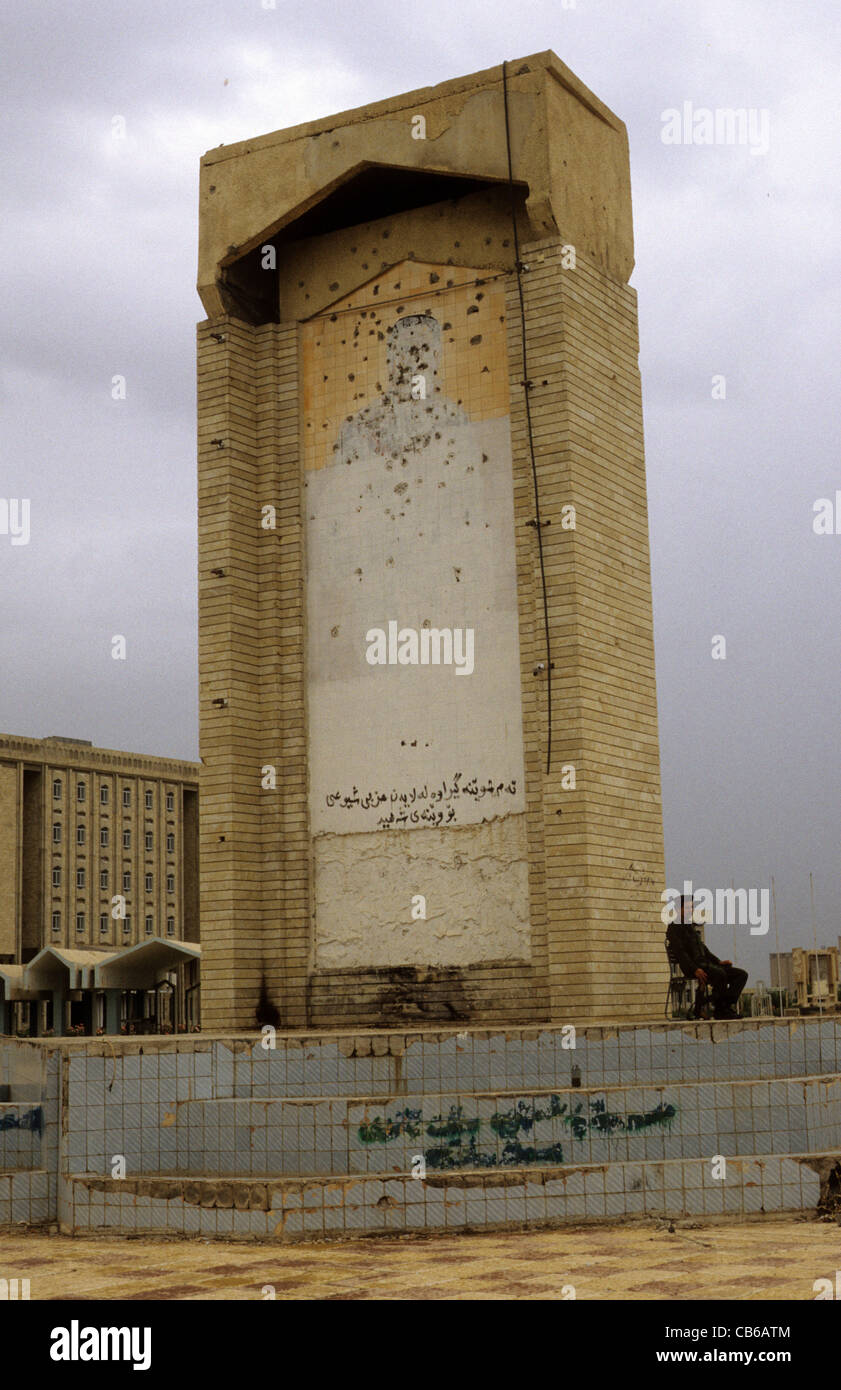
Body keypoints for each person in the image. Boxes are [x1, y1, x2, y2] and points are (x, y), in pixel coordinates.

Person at [667, 895, 748, 1020]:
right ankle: (721, 1010)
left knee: (741, 975)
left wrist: (719, 961)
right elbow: (681, 953)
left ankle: (724, 1006)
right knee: (720, 974)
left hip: (706, 965)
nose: (691, 910)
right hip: (693, 967)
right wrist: (694, 969)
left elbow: (704, 949)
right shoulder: (674, 928)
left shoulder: (690, 926)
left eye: (692, 907)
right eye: (688, 907)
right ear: (679, 909)